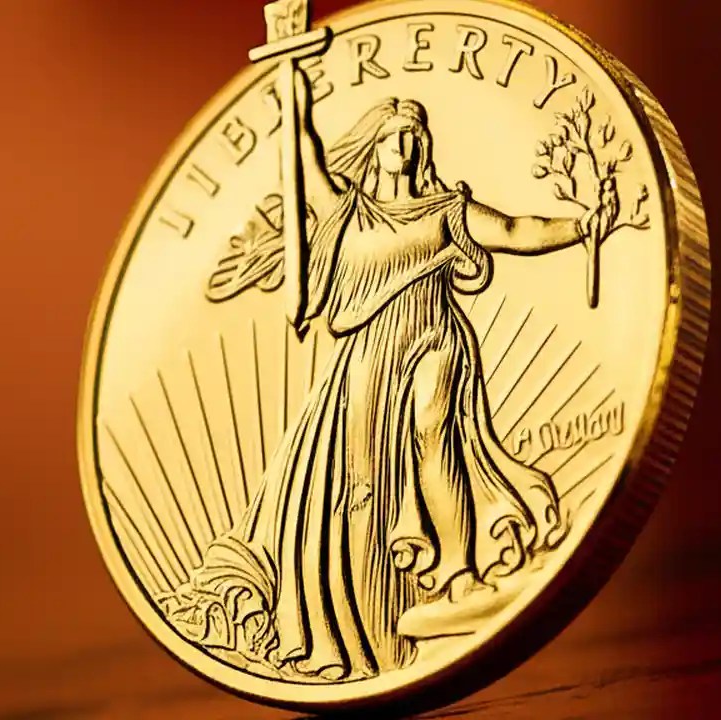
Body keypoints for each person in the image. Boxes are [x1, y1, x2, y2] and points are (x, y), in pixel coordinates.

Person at [163, 68, 615, 681]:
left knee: (434, 435)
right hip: (364, 362)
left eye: (414, 136)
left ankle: (458, 571)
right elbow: (304, 157)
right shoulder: (344, 213)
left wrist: (581, 226)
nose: (404, 146)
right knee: (360, 485)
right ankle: (367, 623)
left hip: (432, 339)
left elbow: (511, 230)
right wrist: (291, 93)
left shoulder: (446, 210)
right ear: (374, 146)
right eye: (393, 136)